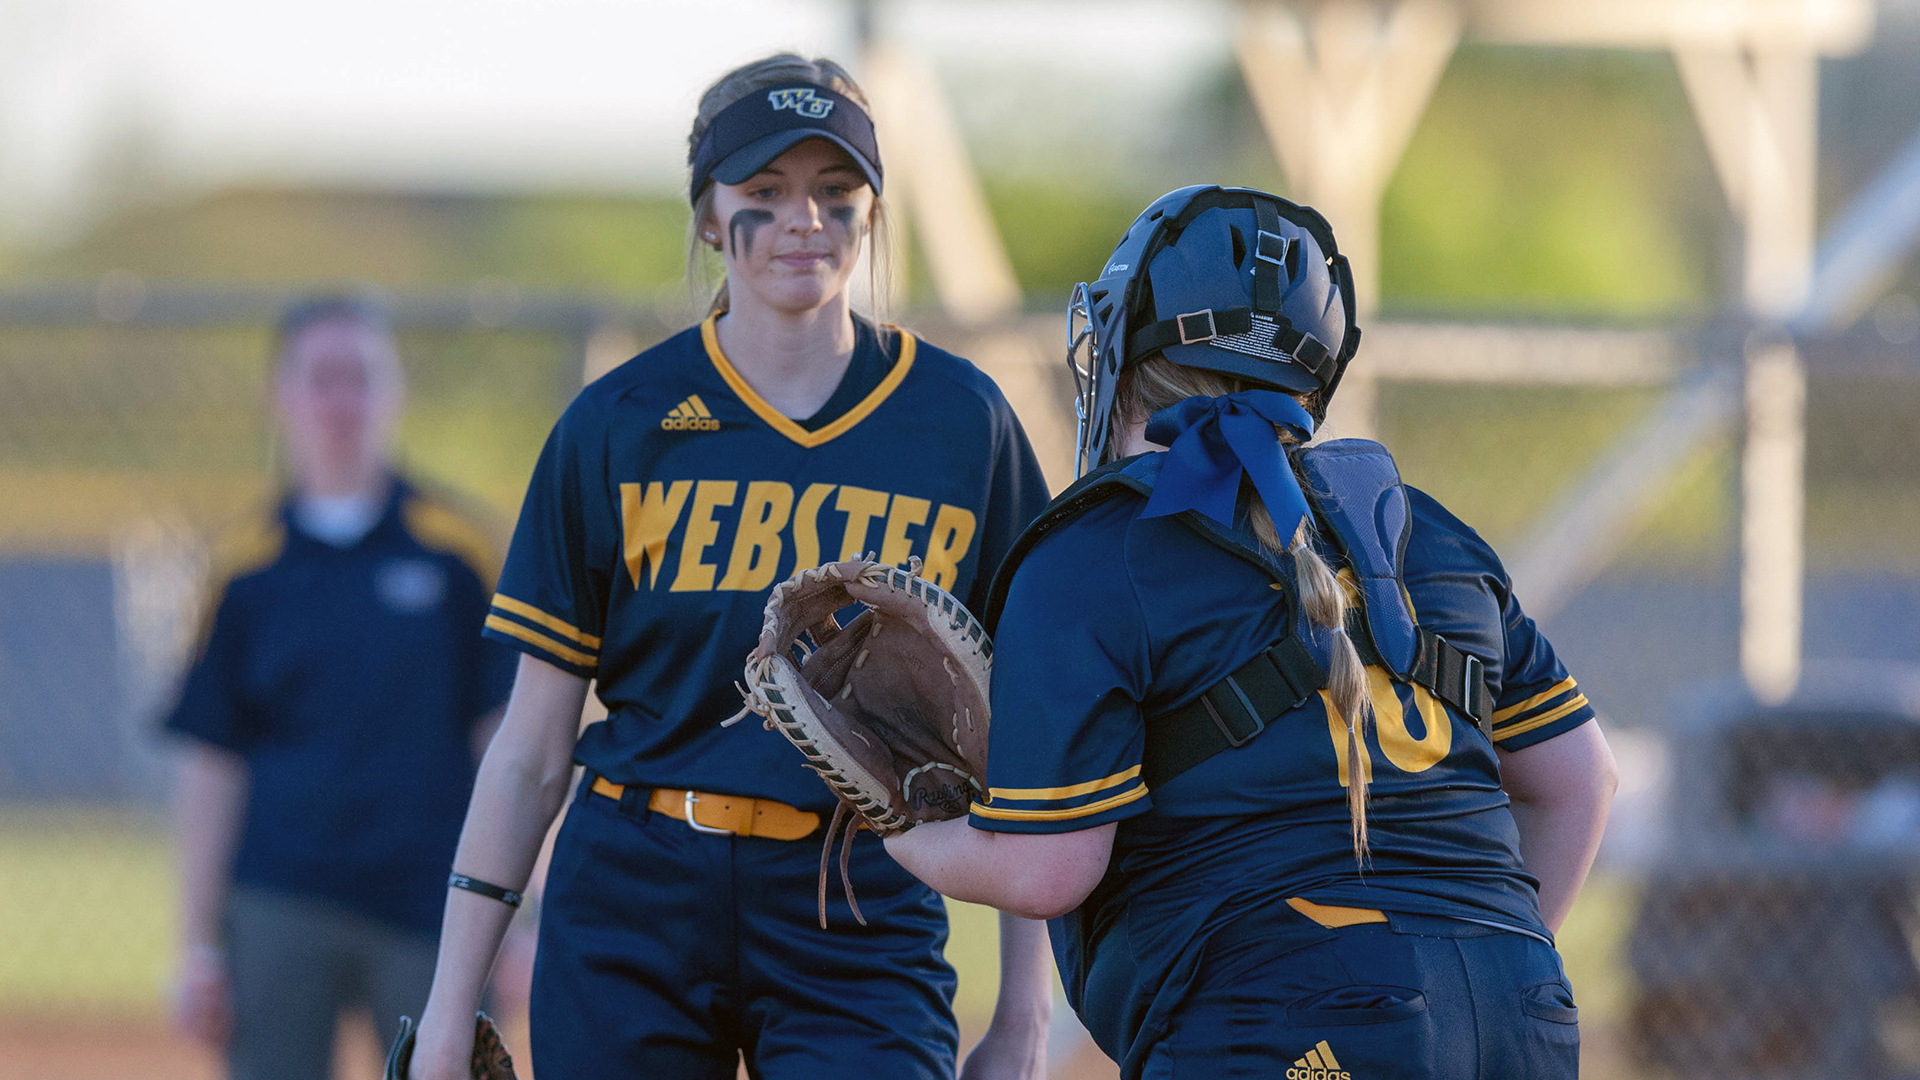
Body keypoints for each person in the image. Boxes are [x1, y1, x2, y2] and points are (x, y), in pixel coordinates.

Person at [406, 54, 1055, 1080]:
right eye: (764, 194)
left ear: (873, 210)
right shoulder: (619, 425)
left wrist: (1023, 1015)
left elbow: (1034, 737)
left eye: (835, 194)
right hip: (635, 892)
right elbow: (531, 752)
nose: (805, 221)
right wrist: (449, 1011)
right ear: (709, 216)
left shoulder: (960, 423)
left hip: (860, 894)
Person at [883, 186, 1620, 1080]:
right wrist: (1463, 968)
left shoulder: (1094, 553)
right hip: (1522, 1009)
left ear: (1123, 351)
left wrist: (897, 825)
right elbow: (1582, 779)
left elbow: (1049, 871)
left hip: (1281, 1012)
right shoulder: (1430, 530)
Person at [166, 296, 518, 1080]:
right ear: (280, 395)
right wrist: (195, 943)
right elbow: (210, 764)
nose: (341, 399)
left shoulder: (459, 551)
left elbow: (512, 745)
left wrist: (520, 923)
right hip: (280, 898)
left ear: (394, 391)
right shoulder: (243, 569)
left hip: (433, 904)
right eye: (320, 377)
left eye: (361, 376)